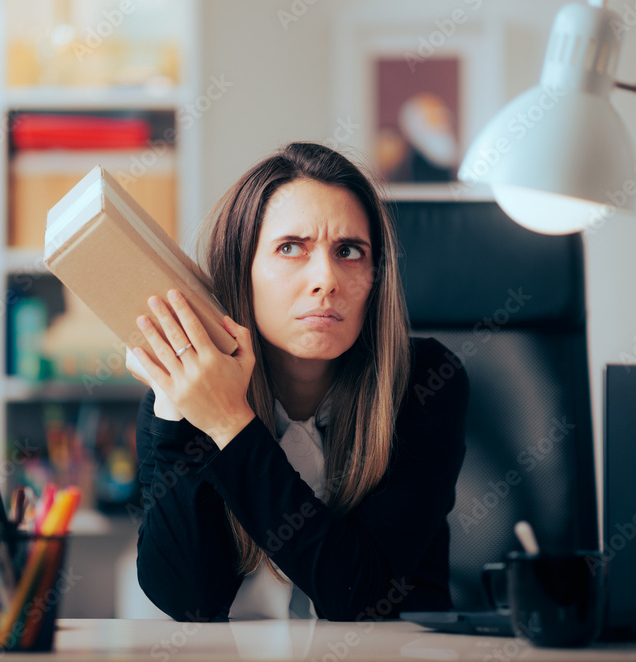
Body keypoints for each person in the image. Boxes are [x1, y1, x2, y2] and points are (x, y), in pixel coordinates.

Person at [125, 142, 469, 623]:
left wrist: (232, 424)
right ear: (239, 269)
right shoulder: (181, 398)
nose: (325, 279)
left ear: (375, 277)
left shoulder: (425, 382)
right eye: (291, 248)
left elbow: (363, 597)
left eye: (349, 252)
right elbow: (189, 600)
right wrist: (180, 417)